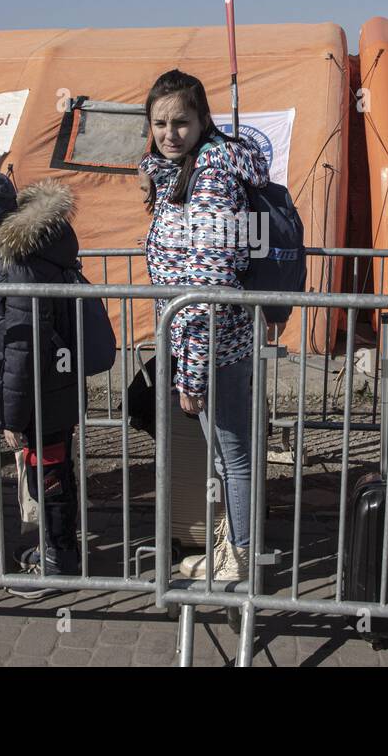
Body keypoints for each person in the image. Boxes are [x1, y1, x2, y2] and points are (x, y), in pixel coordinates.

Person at [139, 69, 270, 582]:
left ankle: (242, 562)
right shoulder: (182, 169)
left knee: (233, 459)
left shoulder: (213, 175)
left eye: (181, 122)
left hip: (218, 346)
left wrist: (190, 376)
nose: (170, 134)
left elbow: (208, 287)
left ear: (203, 121)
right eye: (159, 124)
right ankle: (233, 550)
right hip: (204, 344)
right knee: (224, 457)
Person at [0, 169, 83, 596]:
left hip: (42, 394)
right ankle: (58, 550)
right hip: (55, 386)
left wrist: (11, 416)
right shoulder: (39, 250)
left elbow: (22, 350)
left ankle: (59, 562)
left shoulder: (18, 266)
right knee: (55, 470)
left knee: (49, 475)